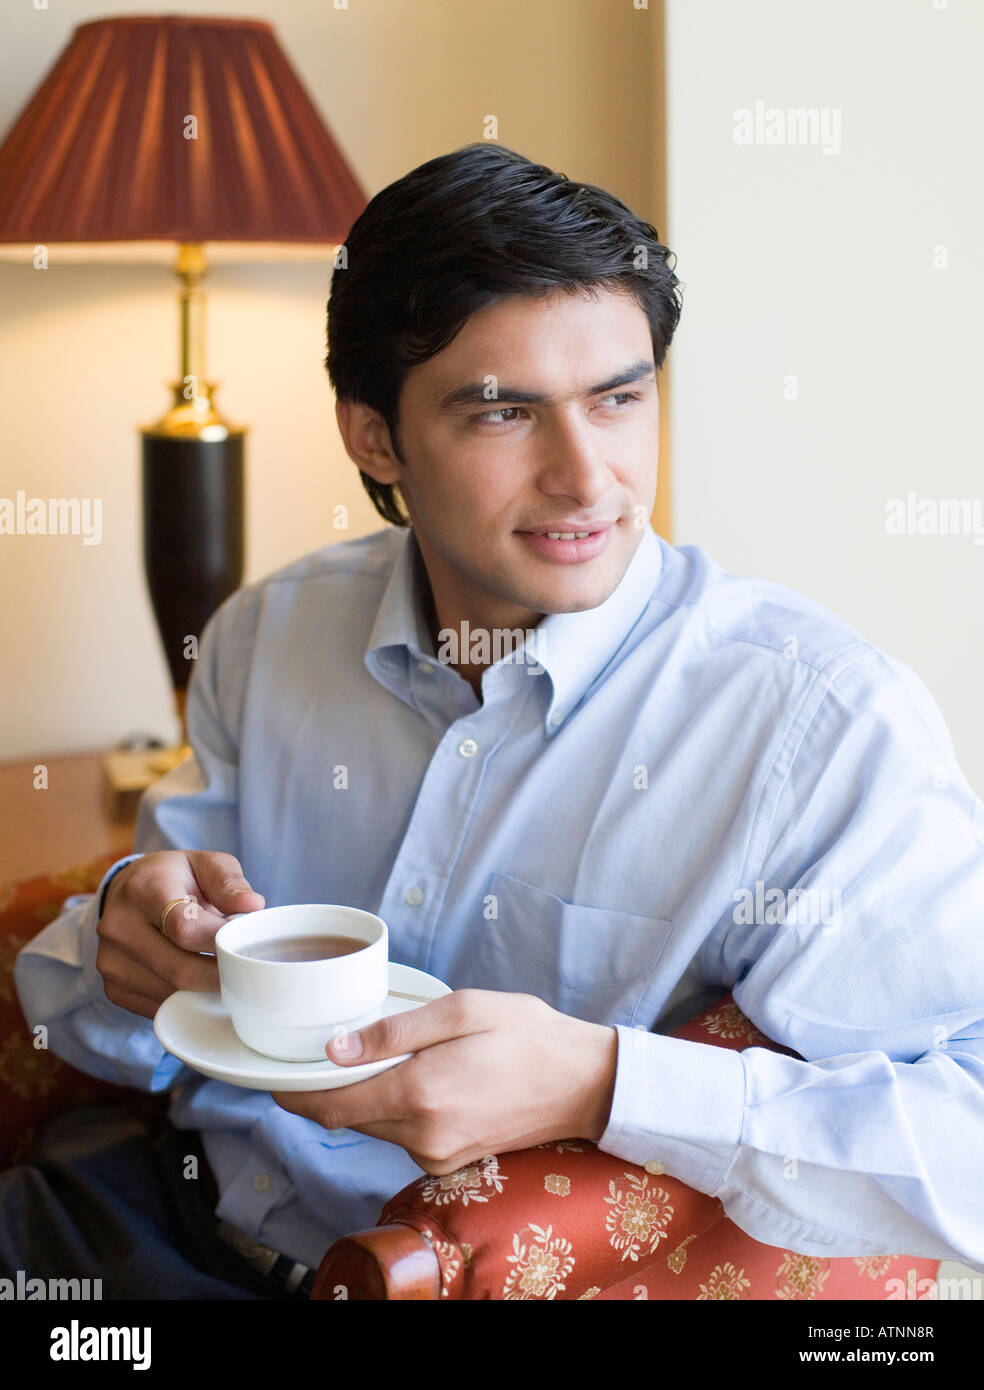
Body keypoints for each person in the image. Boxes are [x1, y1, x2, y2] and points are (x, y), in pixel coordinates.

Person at [7, 143, 984, 1299]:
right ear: (374, 437)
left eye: (620, 397)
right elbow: (120, 1006)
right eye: (503, 412)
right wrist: (122, 930)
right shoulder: (271, 633)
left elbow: (961, 1145)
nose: (589, 478)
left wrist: (604, 1084)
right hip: (153, 1217)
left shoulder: (815, 725)